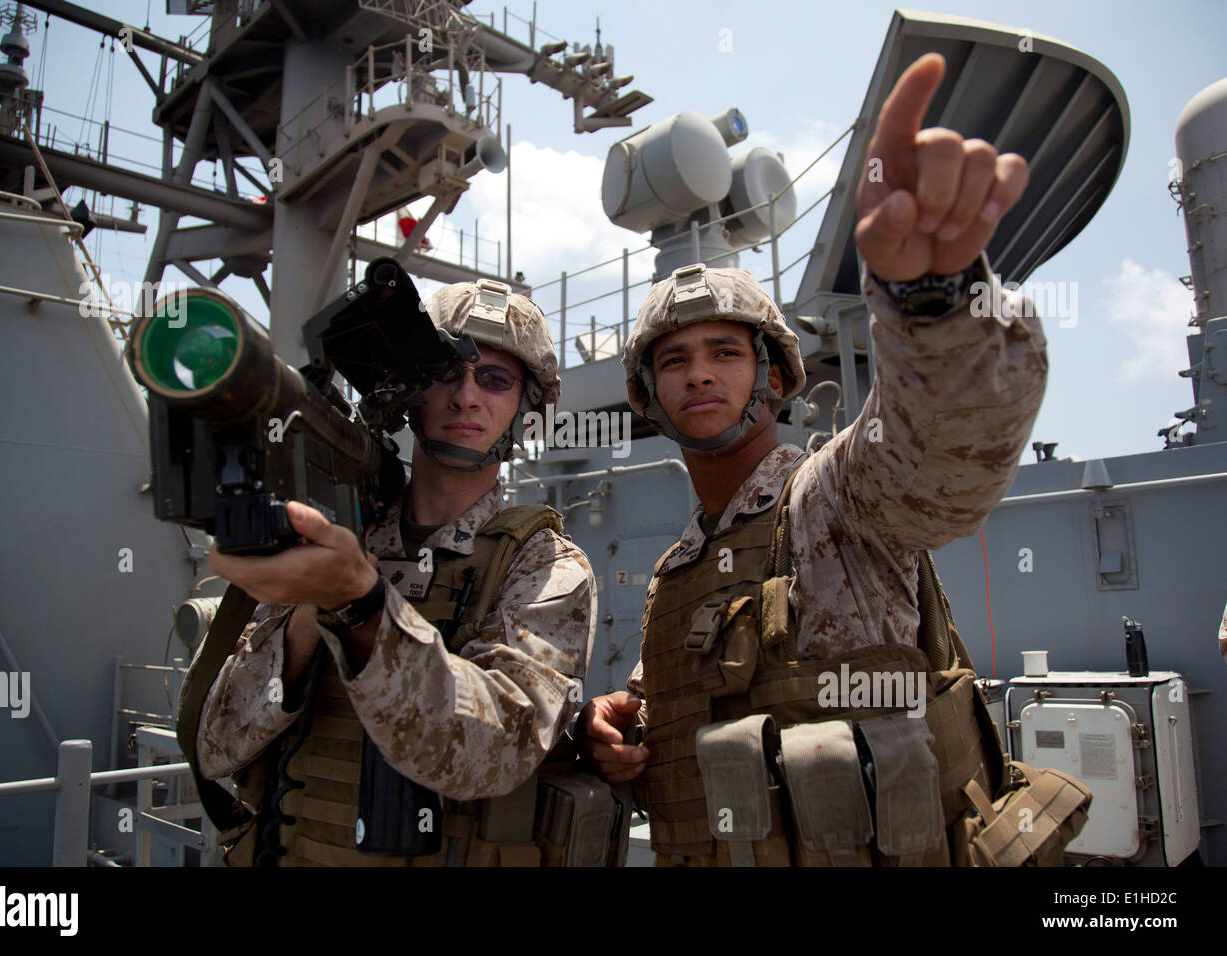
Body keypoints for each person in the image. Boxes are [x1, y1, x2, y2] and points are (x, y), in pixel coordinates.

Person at [576, 52, 1090, 866]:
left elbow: (943, 442)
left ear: (775, 378)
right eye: (673, 362)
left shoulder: (836, 500)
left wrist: (935, 298)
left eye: (723, 353)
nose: (699, 373)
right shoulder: (681, 571)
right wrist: (624, 718)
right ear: (648, 393)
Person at [181, 278, 604, 867]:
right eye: (444, 374)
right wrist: (309, 616)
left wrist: (358, 603)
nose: (466, 397)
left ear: (526, 409)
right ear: (408, 394)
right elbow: (215, 745)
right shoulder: (334, 536)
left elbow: (494, 749)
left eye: (495, 380)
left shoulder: (544, 564)